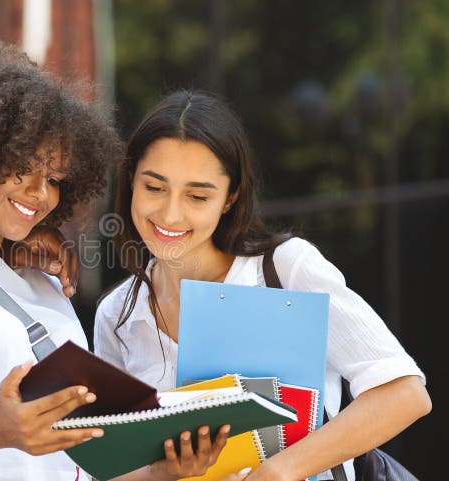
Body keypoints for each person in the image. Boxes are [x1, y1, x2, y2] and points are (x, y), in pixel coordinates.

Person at [0, 44, 228, 481]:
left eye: (53, 179)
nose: (40, 192)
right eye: (22, 167)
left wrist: (163, 472)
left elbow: (78, 458)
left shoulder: (44, 279)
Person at [94, 89, 432, 481]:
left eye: (197, 196)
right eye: (154, 188)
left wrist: (280, 470)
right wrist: (163, 473)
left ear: (229, 198)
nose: (170, 213)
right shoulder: (118, 315)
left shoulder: (283, 270)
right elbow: (114, 470)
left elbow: (405, 393)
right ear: (131, 180)